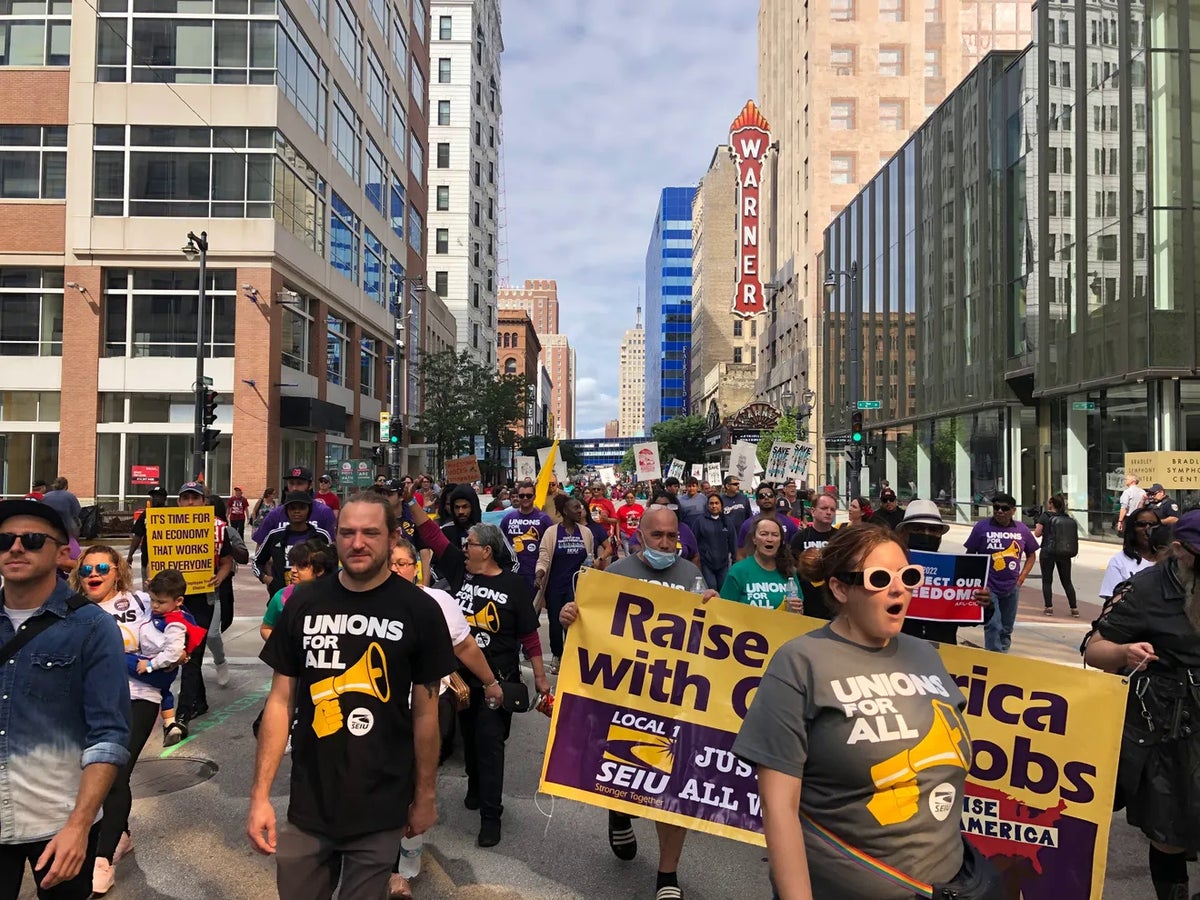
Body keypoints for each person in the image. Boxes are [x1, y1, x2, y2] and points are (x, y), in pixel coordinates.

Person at [733, 524, 979, 900]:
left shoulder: (925, 654)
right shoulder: (800, 662)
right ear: (840, 588)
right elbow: (778, 807)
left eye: (908, 576)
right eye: (879, 578)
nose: (898, 589)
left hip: (947, 886)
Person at [247, 492, 456, 900]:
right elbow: (279, 701)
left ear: (392, 538)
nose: (357, 543)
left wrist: (425, 796)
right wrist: (260, 796)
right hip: (309, 802)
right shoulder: (303, 602)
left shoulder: (420, 610)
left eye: (370, 533)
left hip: (382, 803)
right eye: (347, 532)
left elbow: (426, 715)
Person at [558, 506, 716, 900]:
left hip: (674, 699)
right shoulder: (615, 574)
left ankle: (668, 875)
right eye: (657, 535)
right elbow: (592, 626)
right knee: (623, 771)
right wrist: (572, 615)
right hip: (624, 696)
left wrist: (715, 609)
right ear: (640, 535)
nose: (665, 543)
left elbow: (711, 637)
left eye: (672, 536)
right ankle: (619, 811)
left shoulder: (691, 576)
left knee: (673, 788)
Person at [0, 500, 130, 900]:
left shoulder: (92, 627)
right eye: (4, 540)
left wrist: (80, 824)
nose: (16, 548)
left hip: (60, 823)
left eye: (32, 540)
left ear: (61, 553)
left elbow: (108, 734)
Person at [408, 496, 549, 848]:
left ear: (486, 550)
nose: (464, 548)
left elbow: (529, 635)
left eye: (470, 543)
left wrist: (540, 678)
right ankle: (474, 785)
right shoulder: (461, 571)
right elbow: (431, 534)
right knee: (469, 739)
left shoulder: (514, 585)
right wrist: (409, 499)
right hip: (460, 679)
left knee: (491, 745)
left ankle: (491, 816)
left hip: (498, 680)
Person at [1081, 508, 1200, 900]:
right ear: (1180, 551)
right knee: (1169, 831)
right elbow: (1094, 650)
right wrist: (1124, 652)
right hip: (1168, 730)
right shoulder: (1144, 590)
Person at [386, 537, 502, 899]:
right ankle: (385, 863)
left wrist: (491, 682)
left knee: (414, 783)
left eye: (403, 563)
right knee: (384, 783)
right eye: (390, 564)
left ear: (415, 568)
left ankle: (403, 866)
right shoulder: (364, 602)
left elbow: (465, 646)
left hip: (427, 709)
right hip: (379, 711)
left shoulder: (438, 601)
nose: (396, 570)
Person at [68, 548, 155, 894]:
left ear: (117, 571)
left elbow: (175, 629)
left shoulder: (141, 602)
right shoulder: (71, 609)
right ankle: (122, 833)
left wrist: (175, 650)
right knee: (92, 772)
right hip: (92, 701)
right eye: (87, 569)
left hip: (138, 696)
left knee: (114, 773)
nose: (94, 573)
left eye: (103, 567)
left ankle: (102, 859)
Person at [174, 481, 238, 724]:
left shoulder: (219, 529)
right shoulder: (163, 525)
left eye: (195, 498)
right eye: (186, 498)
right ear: (179, 502)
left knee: (193, 650)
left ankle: (182, 713)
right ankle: (198, 701)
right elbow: (152, 562)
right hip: (174, 600)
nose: (190, 503)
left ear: (204, 501)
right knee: (185, 651)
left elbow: (227, 561)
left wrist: (219, 578)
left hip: (204, 598)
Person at [896, 500, 992, 645]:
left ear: (940, 535)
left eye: (933, 530)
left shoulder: (955, 568)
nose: (926, 534)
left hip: (943, 651)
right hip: (899, 648)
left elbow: (968, 620)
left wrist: (984, 605)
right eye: (918, 529)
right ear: (904, 532)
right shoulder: (890, 566)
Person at [963, 492, 1038, 654]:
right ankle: (994, 656)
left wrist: (1021, 579)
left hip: (1012, 587)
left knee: (1006, 627)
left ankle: (1003, 654)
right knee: (993, 624)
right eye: (996, 507)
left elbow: (1031, 555)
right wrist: (975, 580)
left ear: (1013, 510)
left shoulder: (1022, 529)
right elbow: (970, 554)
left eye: (1004, 508)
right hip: (989, 587)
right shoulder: (981, 527)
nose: (999, 511)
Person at [534, 495, 596, 674]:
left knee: (574, 623)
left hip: (576, 587)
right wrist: (539, 575)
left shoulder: (586, 533)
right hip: (555, 587)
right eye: (576, 508)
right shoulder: (551, 533)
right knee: (555, 623)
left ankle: (570, 657)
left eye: (580, 507)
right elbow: (544, 557)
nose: (580, 511)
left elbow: (589, 558)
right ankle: (557, 655)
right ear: (564, 512)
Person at [252, 492, 333, 599]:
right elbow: (257, 561)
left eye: (302, 508)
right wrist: (266, 579)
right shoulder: (275, 535)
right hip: (281, 598)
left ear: (309, 510)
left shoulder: (321, 536)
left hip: (314, 598)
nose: (297, 511)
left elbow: (331, 566)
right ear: (286, 511)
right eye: (292, 508)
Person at [260, 540, 338, 642]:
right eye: (293, 564)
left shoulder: (336, 598)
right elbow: (266, 628)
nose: (293, 570)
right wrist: (281, 645)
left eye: (301, 566)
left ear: (319, 570)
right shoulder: (281, 597)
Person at [719, 516, 803, 610]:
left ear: (780, 541)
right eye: (764, 534)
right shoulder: (738, 571)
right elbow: (724, 610)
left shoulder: (789, 571)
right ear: (754, 539)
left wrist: (796, 609)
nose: (769, 539)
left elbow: (799, 610)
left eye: (775, 535)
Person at [788, 492, 841, 620]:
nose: (828, 512)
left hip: (834, 602)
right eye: (824, 508)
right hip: (807, 601)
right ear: (813, 511)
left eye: (832, 509)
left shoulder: (841, 538)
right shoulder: (800, 538)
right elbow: (792, 569)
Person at [252, 467, 337, 544]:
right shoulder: (275, 514)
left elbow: (333, 546)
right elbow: (260, 547)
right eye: (291, 483)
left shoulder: (324, 512)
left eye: (299, 483)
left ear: (310, 485)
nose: (294, 488)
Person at [498, 481, 554, 596]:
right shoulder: (508, 519)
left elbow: (551, 545)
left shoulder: (544, 519)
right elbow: (500, 543)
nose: (525, 498)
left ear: (534, 497)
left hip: (535, 574)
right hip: (512, 573)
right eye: (521, 495)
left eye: (528, 495)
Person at [1099, 507, 1162, 603]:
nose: (1148, 529)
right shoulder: (1119, 561)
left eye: (1153, 525)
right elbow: (1112, 603)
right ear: (1132, 529)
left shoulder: (1169, 560)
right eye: (1141, 524)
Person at [1034, 494, 1080, 617]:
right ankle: (1074, 608)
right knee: (1067, 581)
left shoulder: (1045, 516)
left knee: (1047, 581)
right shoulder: (1066, 517)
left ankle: (1049, 607)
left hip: (1048, 551)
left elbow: (1037, 533)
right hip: (1064, 552)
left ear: (1051, 504)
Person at [693, 493, 736, 590]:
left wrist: (734, 559)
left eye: (717, 503)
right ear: (707, 505)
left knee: (724, 588)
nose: (714, 506)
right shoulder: (700, 521)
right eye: (711, 503)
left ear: (721, 505)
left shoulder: (727, 521)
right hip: (706, 563)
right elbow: (694, 541)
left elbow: (733, 541)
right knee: (711, 587)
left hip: (723, 563)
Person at [126, 486, 167, 589]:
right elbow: (138, 535)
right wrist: (130, 555)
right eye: (153, 496)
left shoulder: (171, 514)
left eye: (158, 496)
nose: (155, 499)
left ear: (164, 499)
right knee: (148, 590)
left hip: (167, 561)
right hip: (147, 559)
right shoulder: (146, 514)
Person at [615, 489, 645, 556]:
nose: (630, 499)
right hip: (625, 535)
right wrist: (618, 537)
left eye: (631, 498)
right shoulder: (621, 509)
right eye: (627, 498)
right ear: (625, 499)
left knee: (639, 554)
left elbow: (643, 521)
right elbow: (617, 523)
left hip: (637, 535)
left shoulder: (640, 508)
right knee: (628, 555)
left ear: (634, 498)